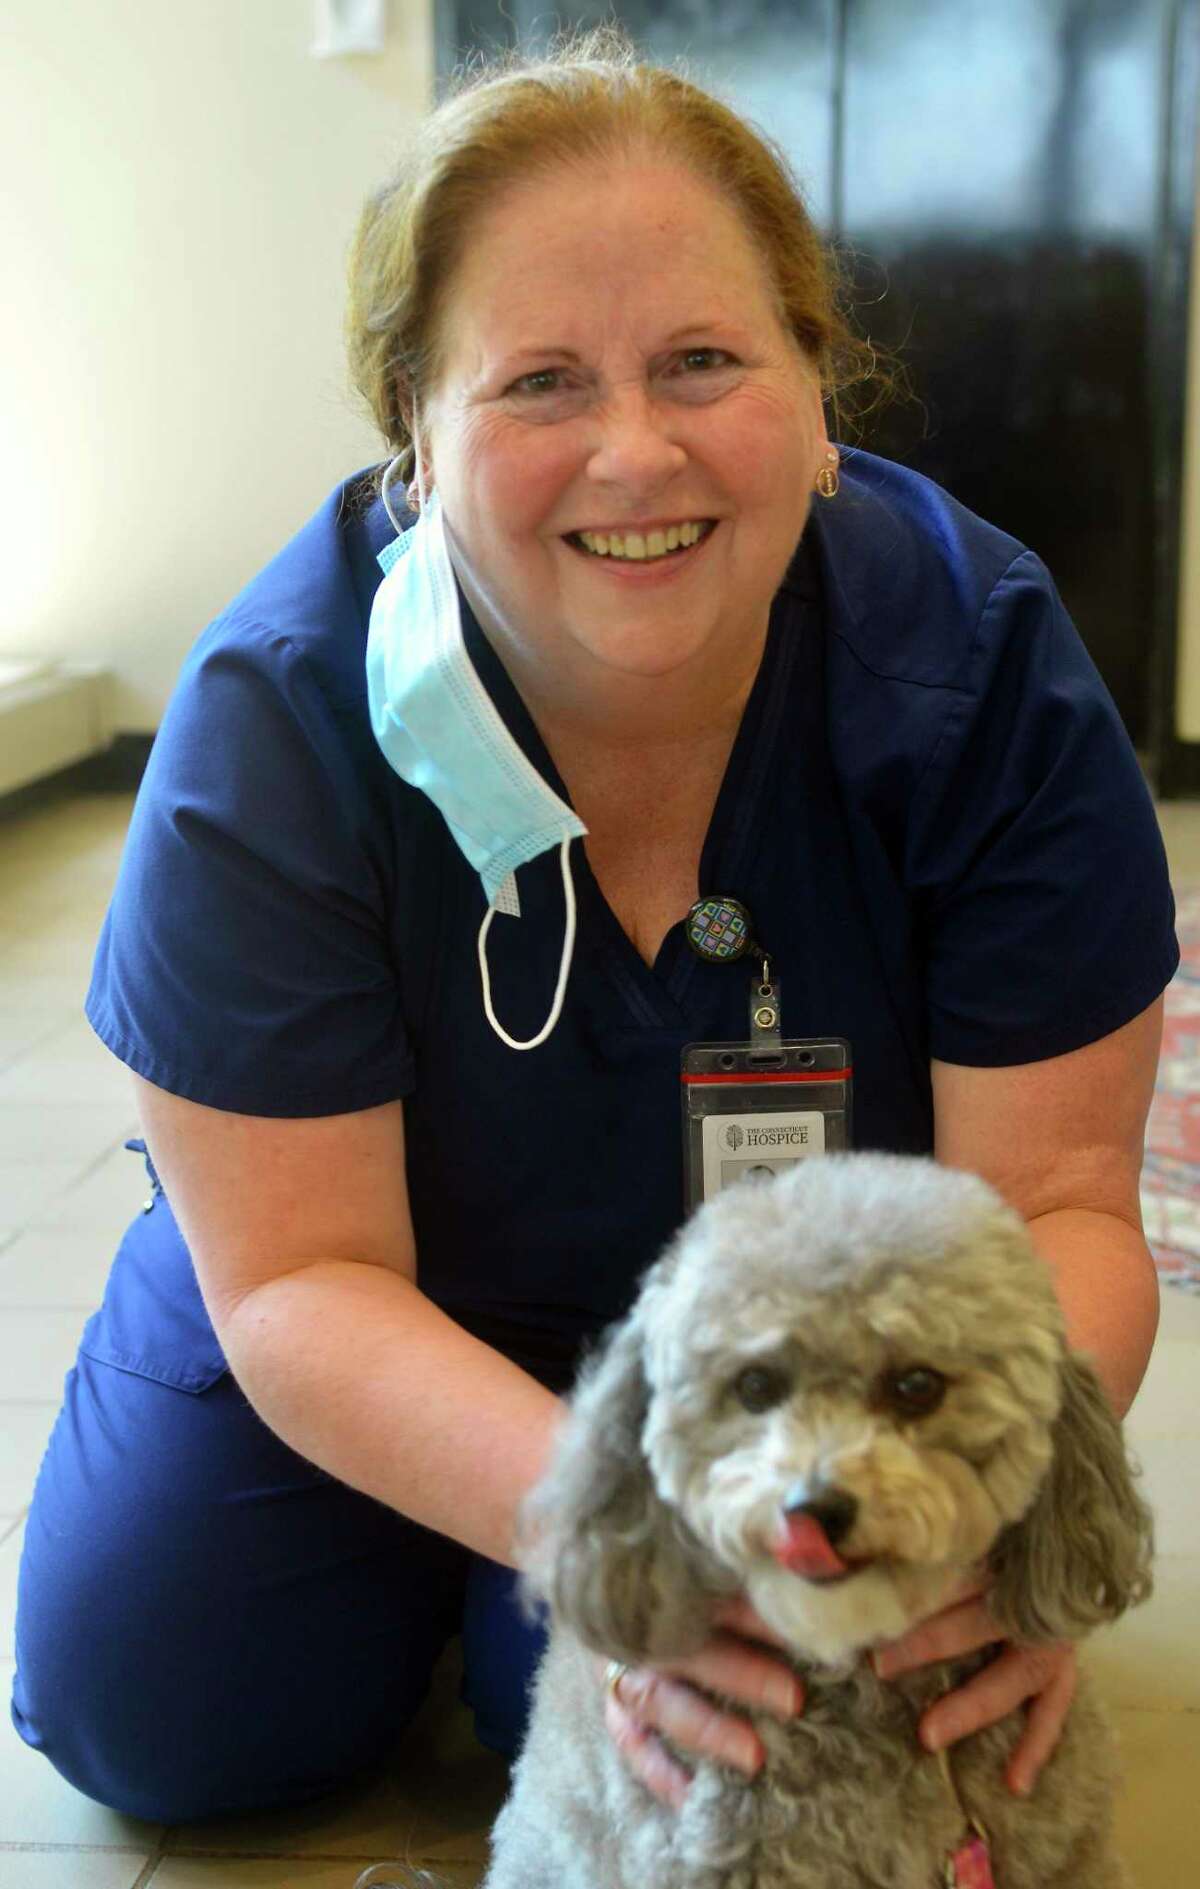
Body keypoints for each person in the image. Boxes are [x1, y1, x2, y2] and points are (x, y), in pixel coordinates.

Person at [12, 30, 1175, 1827]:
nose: (636, 453)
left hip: (813, 1376)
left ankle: (511, 1600)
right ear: (415, 423)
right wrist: (602, 1535)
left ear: (815, 377)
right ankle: (468, 1552)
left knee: (716, 1679)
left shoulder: (979, 669)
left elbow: (1062, 1214)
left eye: (705, 360)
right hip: (376, 1280)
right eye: (539, 381)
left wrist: (998, 1534)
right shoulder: (282, 717)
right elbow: (301, 1276)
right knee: (161, 1700)